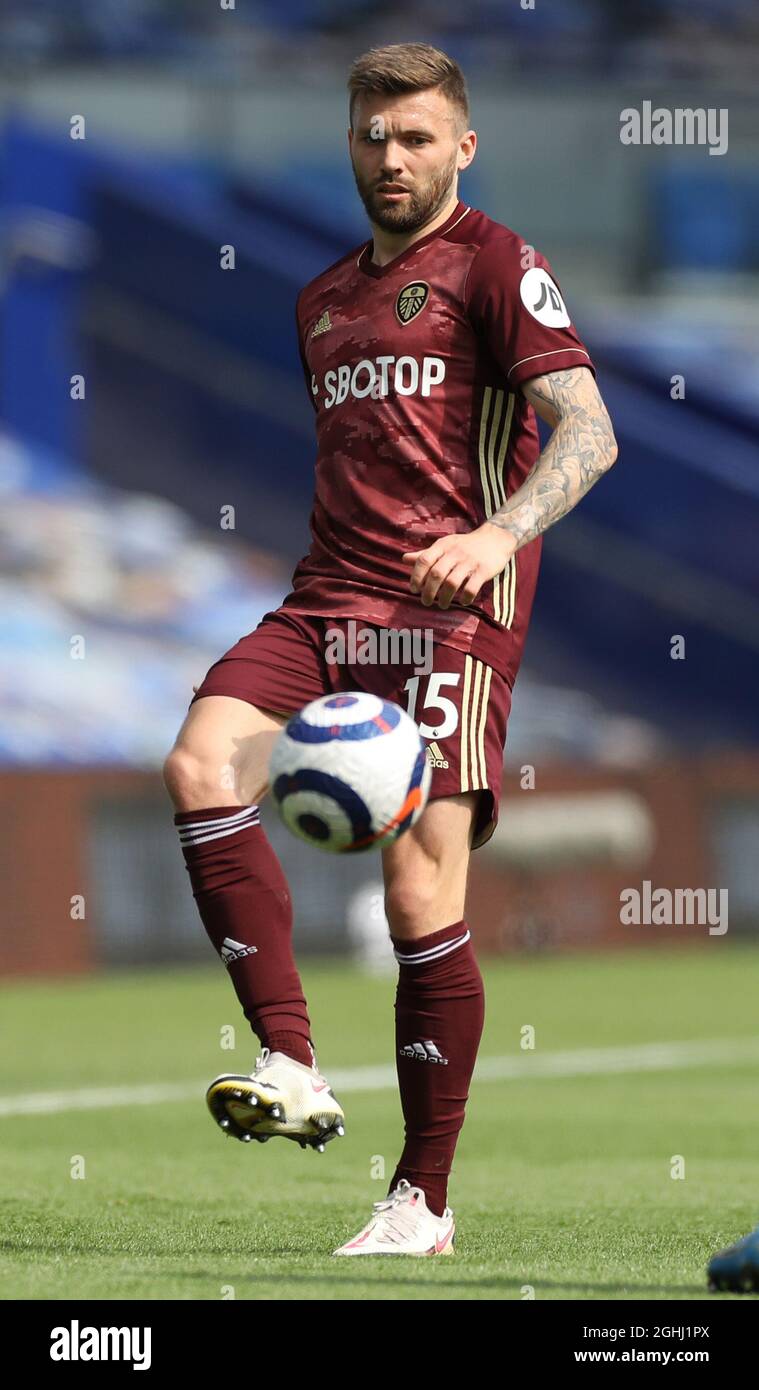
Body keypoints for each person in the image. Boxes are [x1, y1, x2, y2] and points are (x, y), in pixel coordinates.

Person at [163, 41, 618, 1258]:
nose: (392, 158)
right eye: (373, 136)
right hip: (327, 602)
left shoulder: (498, 262)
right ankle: (292, 1059)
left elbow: (591, 430)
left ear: (463, 145)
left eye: (417, 137)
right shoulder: (319, 300)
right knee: (202, 763)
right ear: (350, 143)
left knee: (418, 894)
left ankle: (421, 1199)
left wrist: (499, 532)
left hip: (453, 613)